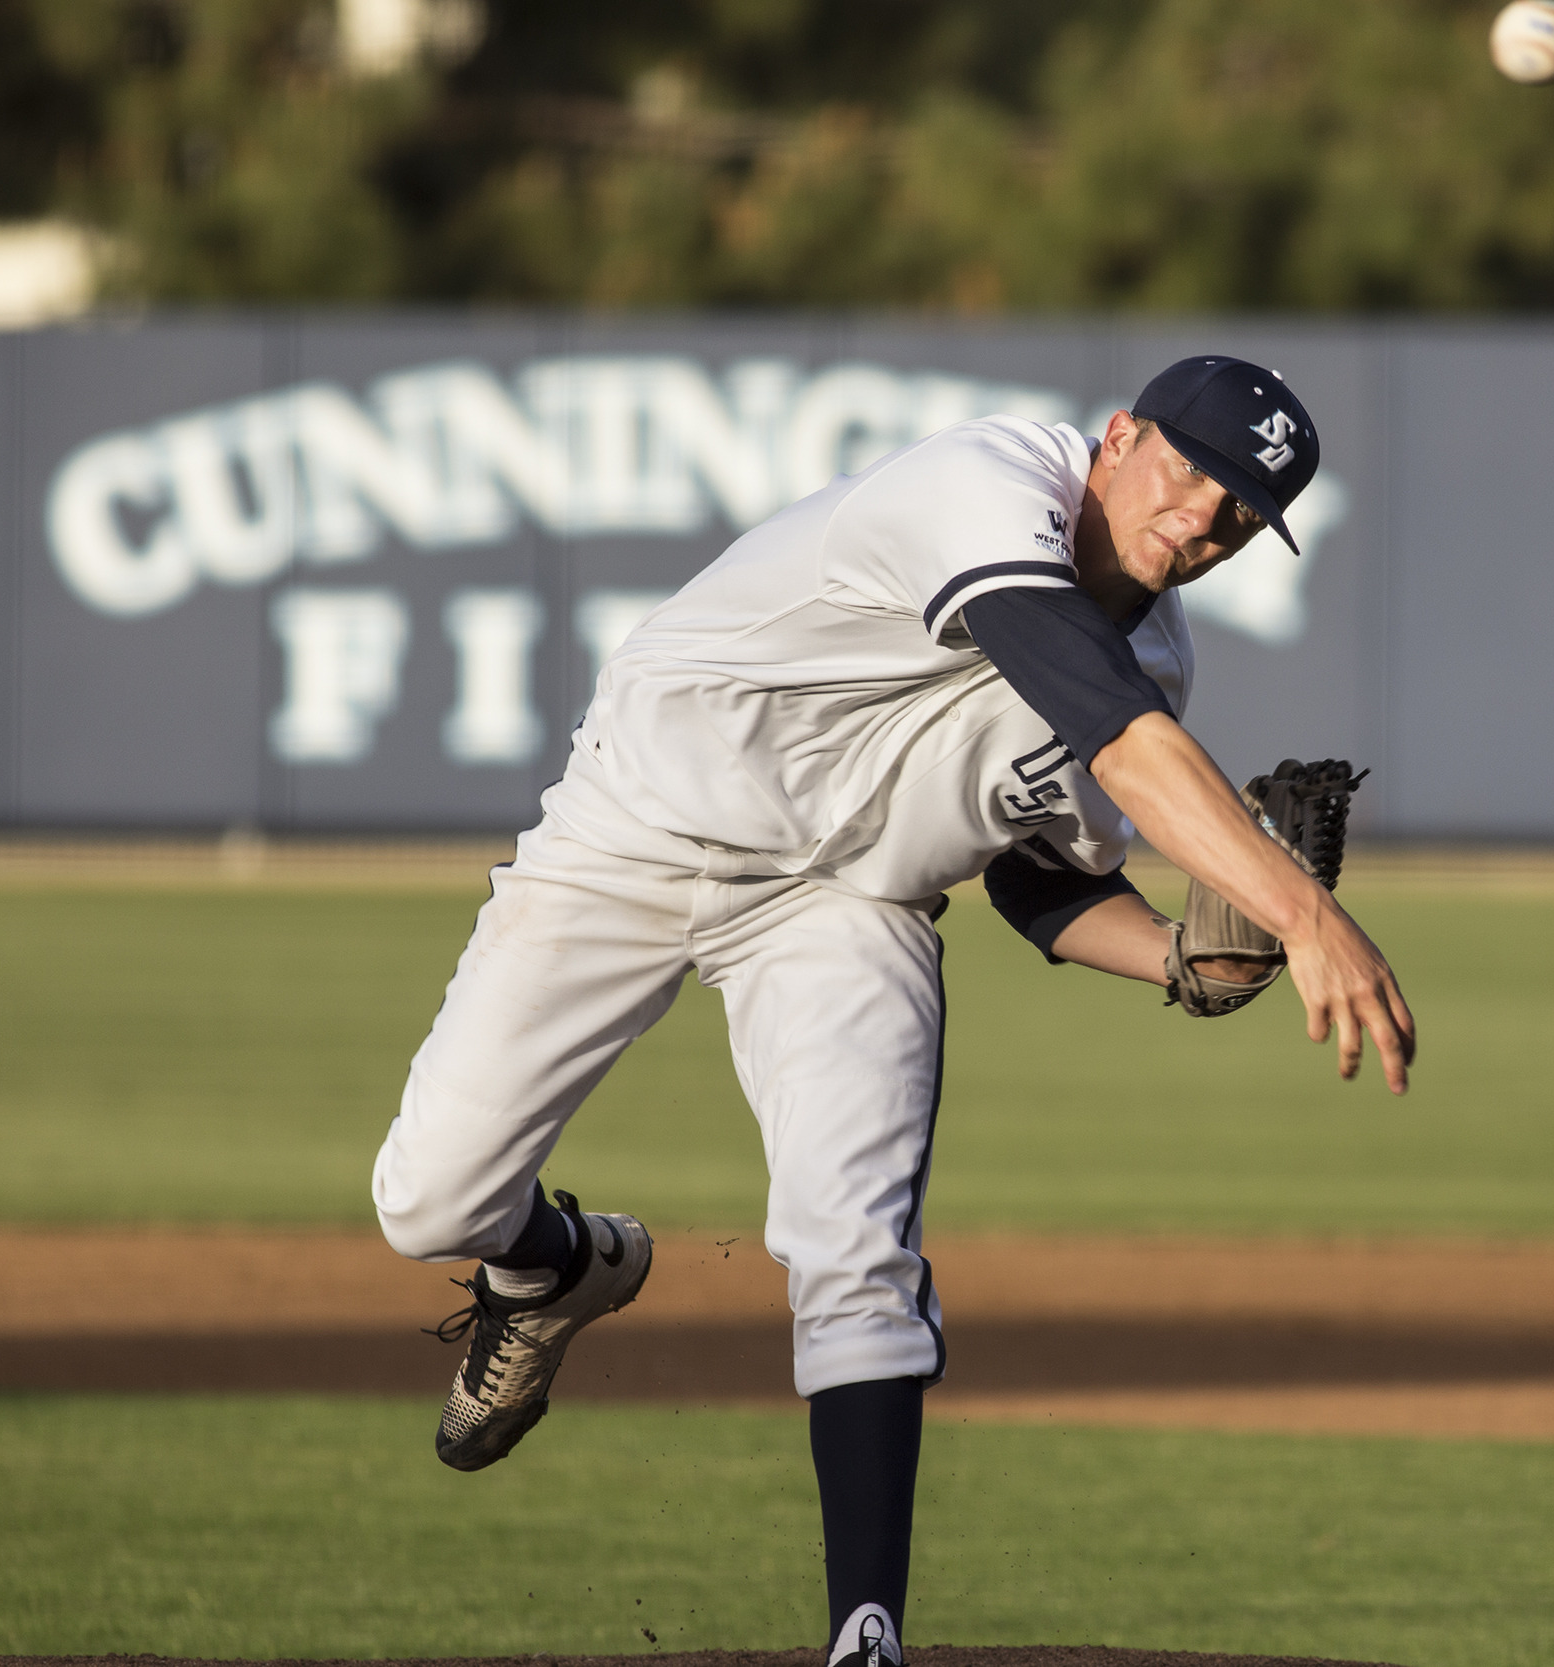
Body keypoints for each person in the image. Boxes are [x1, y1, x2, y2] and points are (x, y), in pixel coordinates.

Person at [369, 355, 1416, 1667]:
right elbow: (1112, 736)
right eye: (1191, 471)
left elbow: (1035, 869)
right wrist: (1308, 916)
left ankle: (865, 1636)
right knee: (430, 1199)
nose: (1202, 518)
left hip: (846, 911)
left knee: (857, 1257)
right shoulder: (980, 492)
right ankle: (556, 1266)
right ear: (1119, 436)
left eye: (1242, 510)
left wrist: (1173, 963)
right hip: (637, 834)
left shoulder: (1156, 661)